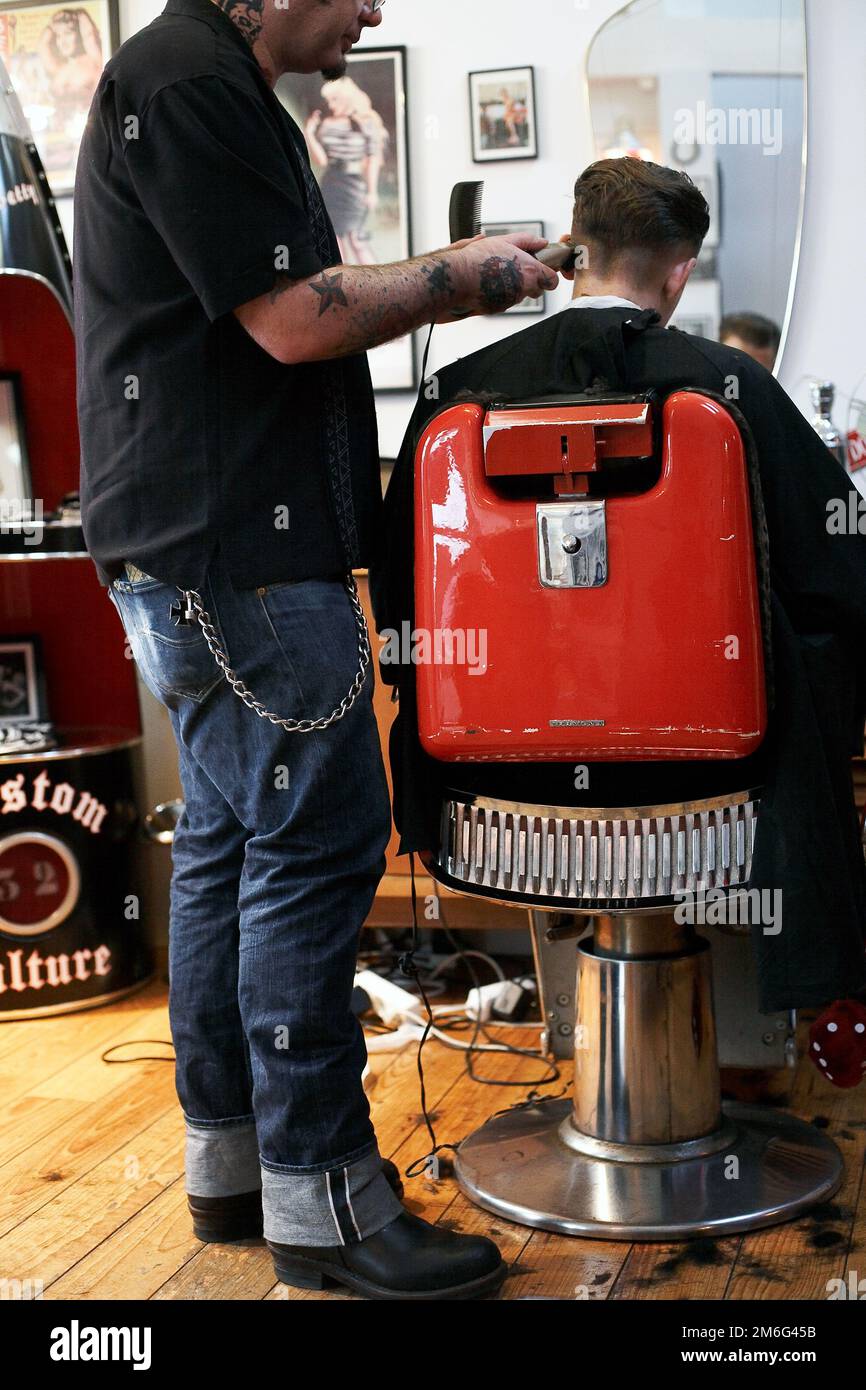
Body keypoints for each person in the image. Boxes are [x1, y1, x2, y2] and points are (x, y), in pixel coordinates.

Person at [73, 0, 559, 1302]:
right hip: (234, 549)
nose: (372, 9)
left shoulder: (193, 79)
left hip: (194, 539)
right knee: (320, 838)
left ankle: (236, 1168)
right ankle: (330, 1206)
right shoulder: (188, 83)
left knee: (236, 844)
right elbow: (294, 320)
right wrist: (469, 274)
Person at [371, 156, 866, 1019]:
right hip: (720, 802)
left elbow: (396, 588)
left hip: (497, 807)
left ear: (576, 252)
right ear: (680, 273)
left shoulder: (456, 391)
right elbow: (842, 575)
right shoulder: (731, 387)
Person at [304, 76, 386, 265]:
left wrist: (372, 192)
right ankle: (344, 286)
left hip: (354, 186)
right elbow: (322, 161)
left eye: (335, 99)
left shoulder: (366, 122)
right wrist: (309, 133)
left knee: (357, 240)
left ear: (347, 98)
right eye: (329, 101)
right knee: (336, 240)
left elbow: (372, 158)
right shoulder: (326, 125)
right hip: (331, 184)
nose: (331, 105)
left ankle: (376, 286)